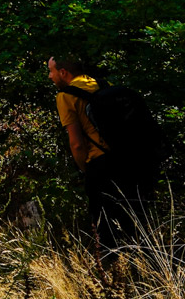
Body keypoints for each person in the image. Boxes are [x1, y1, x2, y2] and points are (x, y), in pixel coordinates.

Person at [48, 54, 153, 249]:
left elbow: (77, 144)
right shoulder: (103, 85)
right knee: (137, 221)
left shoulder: (66, 96)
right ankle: (148, 263)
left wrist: (85, 169)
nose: (50, 76)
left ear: (63, 72)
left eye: (51, 71)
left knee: (106, 229)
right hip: (130, 159)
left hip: (100, 165)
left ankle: (113, 265)